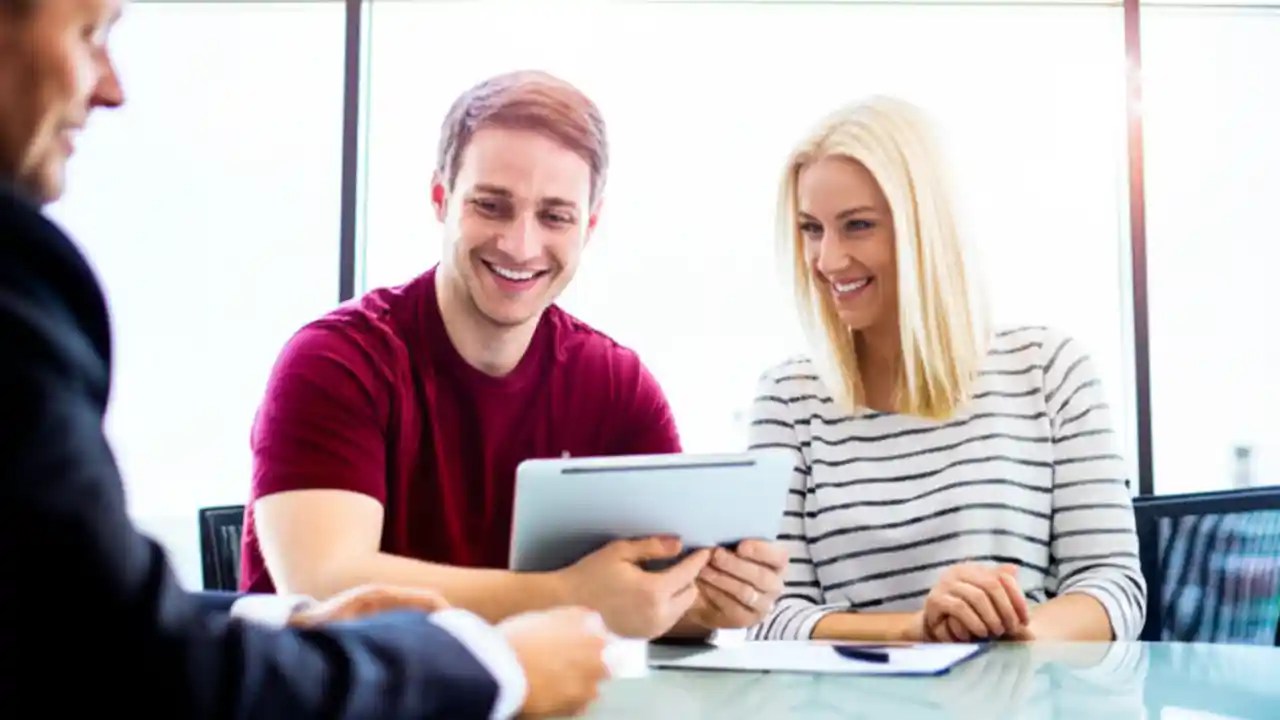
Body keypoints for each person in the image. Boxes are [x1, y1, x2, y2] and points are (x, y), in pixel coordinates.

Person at [0, 0, 611, 716]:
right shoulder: (17, 287)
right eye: (87, 34)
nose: (113, 87)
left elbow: (72, 610)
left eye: (556, 215)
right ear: (442, 199)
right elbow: (120, 654)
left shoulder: (611, 374)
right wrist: (496, 669)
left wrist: (279, 624)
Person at [239, 69, 788, 640]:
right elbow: (327, 583)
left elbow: (650, 601)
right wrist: (569, 597)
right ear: (440, 199)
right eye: (492, 206)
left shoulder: (617, 386)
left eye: (555, 216)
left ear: (589, 225)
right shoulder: (336, 362)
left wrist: (709, 603)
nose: (521, 245)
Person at [747, 96, 1146, 644]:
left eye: (858, 226)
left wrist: (1011, 642)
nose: (827, 260)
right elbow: (769, 616)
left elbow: (1112, 587)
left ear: (924, 229)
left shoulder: (1050, 370)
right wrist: (917, 632)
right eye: (812, 229)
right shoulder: (788, 398)